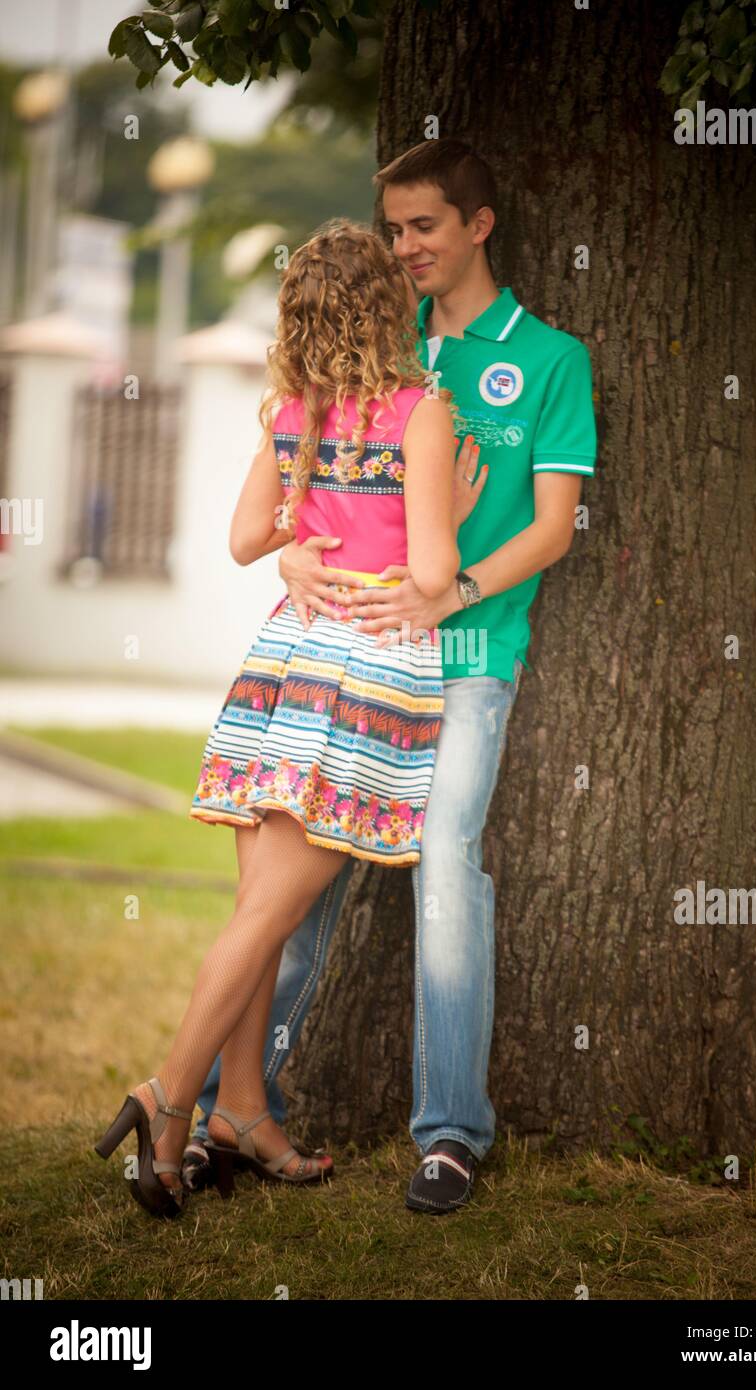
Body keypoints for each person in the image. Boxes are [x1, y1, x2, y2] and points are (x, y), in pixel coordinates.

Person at [183, 139, 598, 1216]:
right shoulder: (375, 342)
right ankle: (231, 1108)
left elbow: (553, 528)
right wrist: (287, 553)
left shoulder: (548, 360)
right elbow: (304, 487)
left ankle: (449, 1132)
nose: (404, 245)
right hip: (356, 663)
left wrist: (444, 592)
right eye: (395, 228)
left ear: (478, 225)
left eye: (423, 226)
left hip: (467, 659)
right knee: (289, 896)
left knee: (445, 861)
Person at [94, 219, 463, 1219]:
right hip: (364, 677)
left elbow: (241, 537)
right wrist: (459, 511)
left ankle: (244, 1110)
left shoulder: (290, 411)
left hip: (279, 667)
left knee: (262, 915)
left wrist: (299, 542)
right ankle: (168, 1097)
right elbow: (429, 574)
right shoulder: (419, 413)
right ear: (388, 310)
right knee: (268, 915)